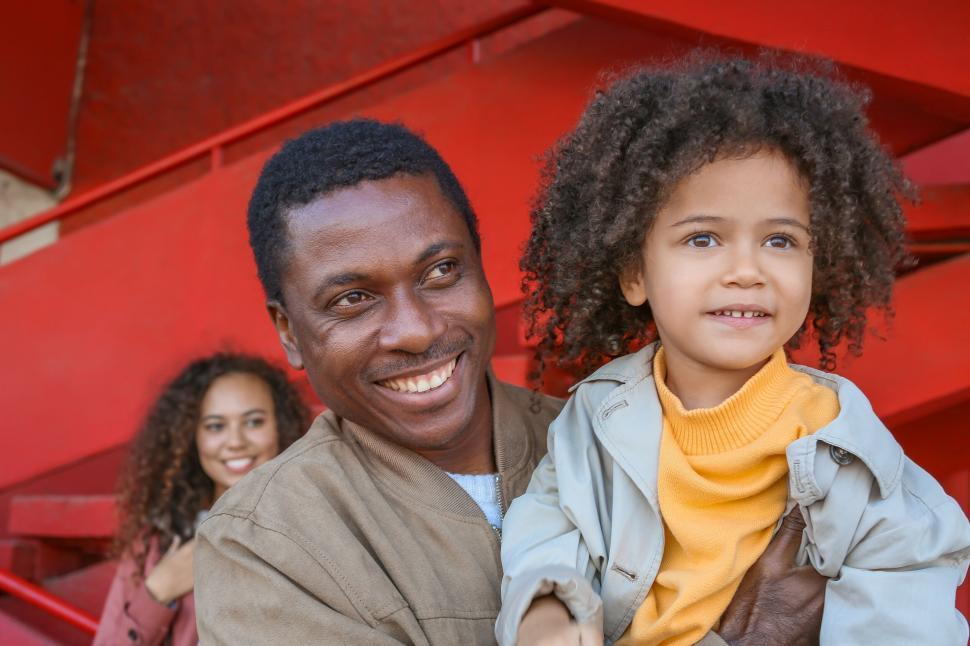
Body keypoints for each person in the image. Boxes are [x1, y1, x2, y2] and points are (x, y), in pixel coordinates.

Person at [195, 119, 829, 645]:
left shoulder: (621, 434)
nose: (414, 330)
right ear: (287, 331)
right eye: (354, 299)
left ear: (481, 266)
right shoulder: (265, 546)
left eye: (441, 270)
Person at [496, 55, 970, 645]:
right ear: (633, 274)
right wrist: (547, 609)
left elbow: (908, 581)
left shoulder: (841, 439)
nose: (746, 271)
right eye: (703, 238)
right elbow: (552, 519)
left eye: (780, 239)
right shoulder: (600, 414)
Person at [94, 353, 309, 646]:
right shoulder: (161, 538)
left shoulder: (313, 523)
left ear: (281, 425)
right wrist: (160, 589)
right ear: (191, 437)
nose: (235, 442)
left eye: (254, 422)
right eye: (215, 426)